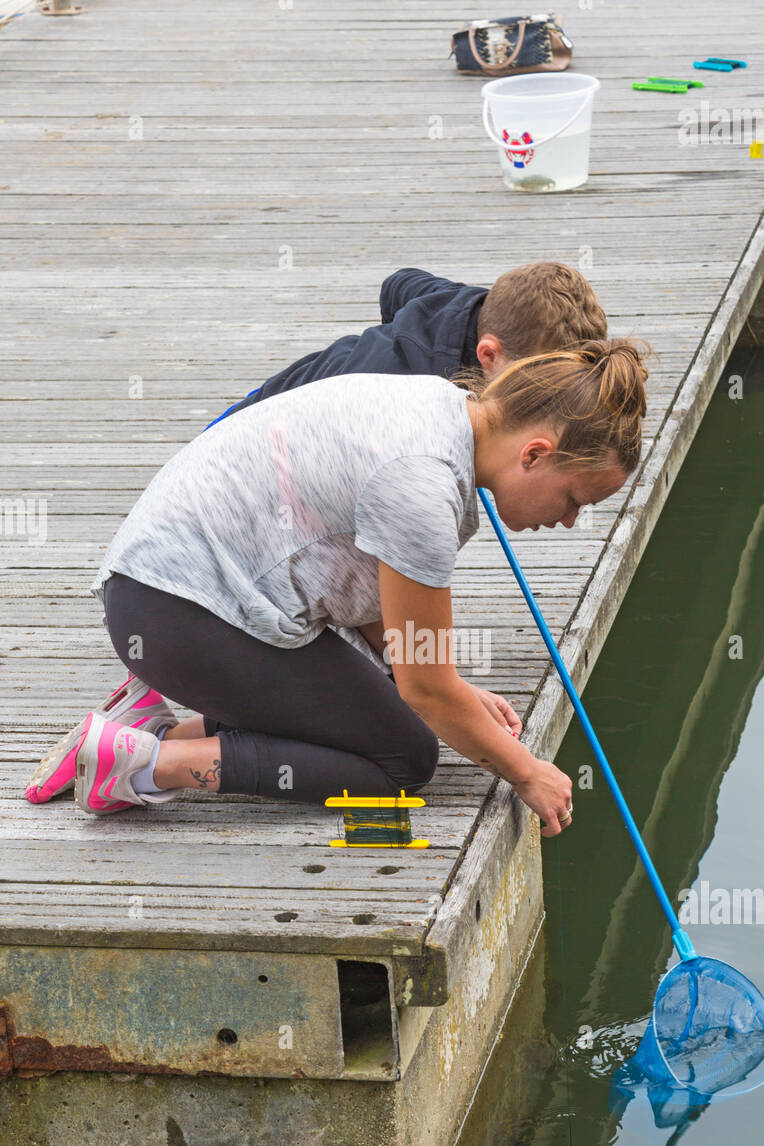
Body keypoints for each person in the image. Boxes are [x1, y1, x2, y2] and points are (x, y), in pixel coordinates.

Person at [25, 343, 647, 838]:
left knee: (393, 714)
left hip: (167, 594)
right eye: (574, 500)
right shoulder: (424, 485)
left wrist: (450, 691)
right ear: (536, 453)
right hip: (178, 610)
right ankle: (143, 762)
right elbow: (426, 687)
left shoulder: (437, 409)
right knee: (403, 762)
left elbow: (396, 629)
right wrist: (527, 772)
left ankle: (141, 729)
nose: (568, 521)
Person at [208, 262, 608, 424]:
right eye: (539, 384)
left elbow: (398, 283)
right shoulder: (401, 396)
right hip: (241, 449)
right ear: (488, 353)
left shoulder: (478, 306)